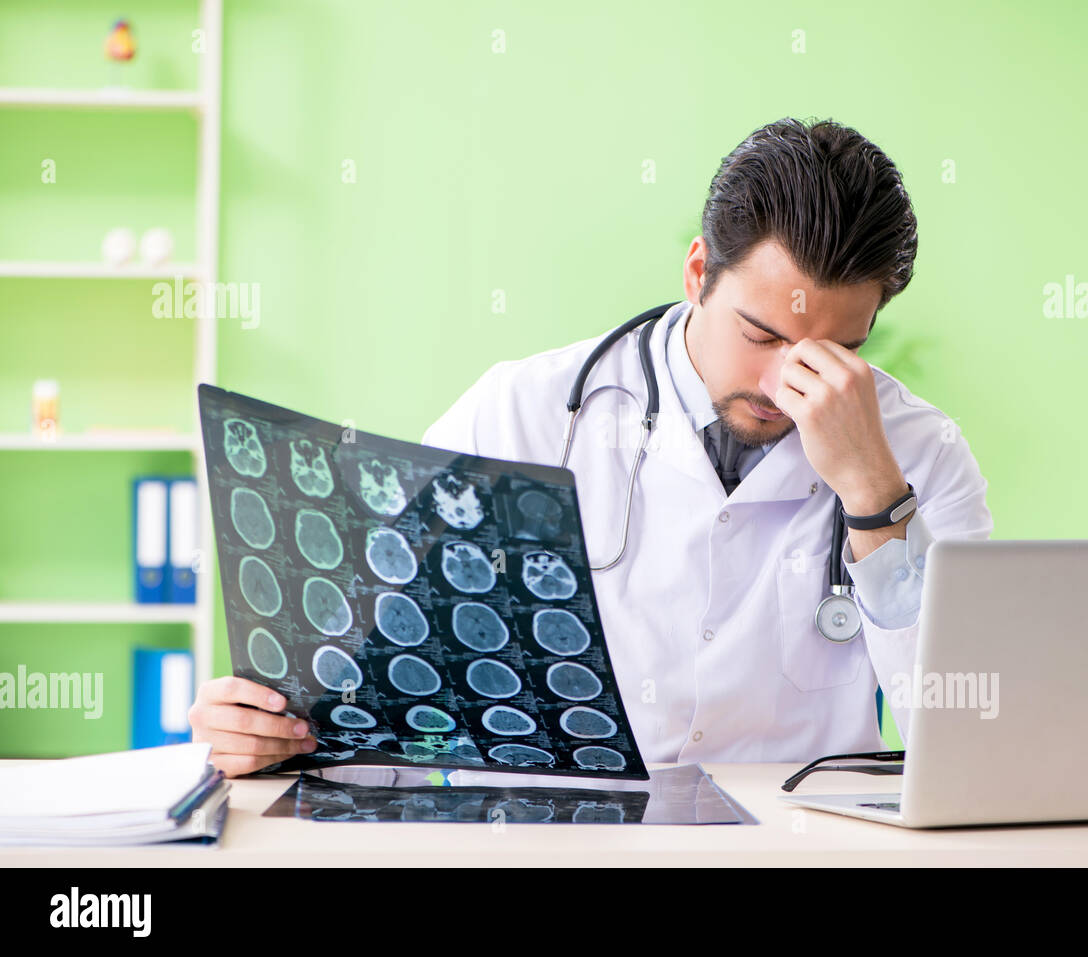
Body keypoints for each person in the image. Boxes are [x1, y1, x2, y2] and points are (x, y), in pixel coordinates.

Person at [190, 117, 993, 777]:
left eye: (833, 353)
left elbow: (968, 742)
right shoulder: (523, 413)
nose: (790, 383)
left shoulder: (919, 451)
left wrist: (874, 498)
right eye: (762, 334)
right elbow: (373, 687)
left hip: (791, 850)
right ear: (697, 271)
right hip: (559, 846)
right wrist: (276, 737)